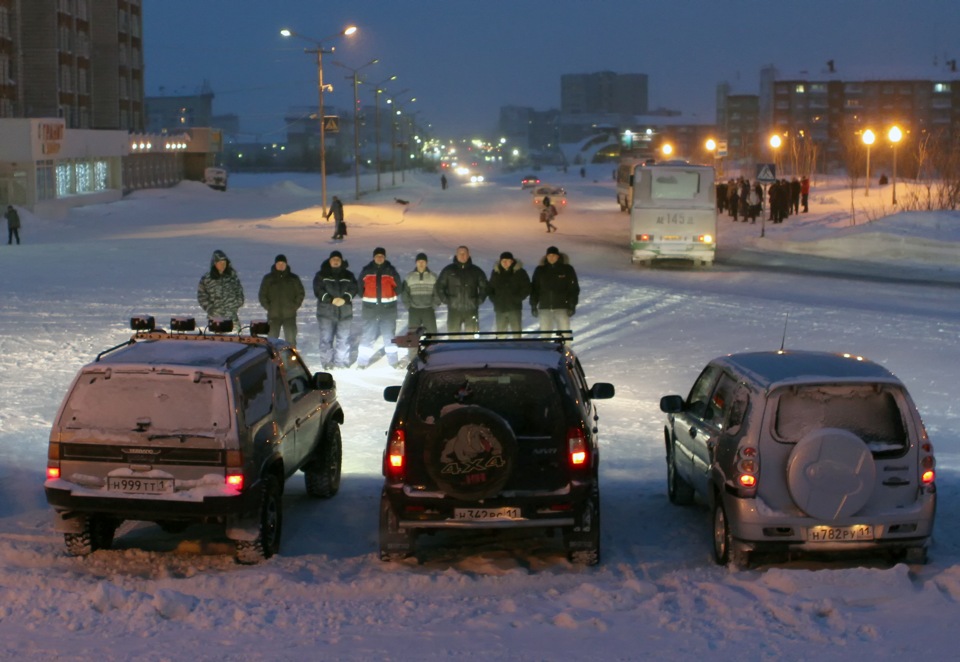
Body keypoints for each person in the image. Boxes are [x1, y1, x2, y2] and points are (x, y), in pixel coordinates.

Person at [357, 247, 402, 368]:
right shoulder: (366, 271)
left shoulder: (391, 271)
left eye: (382, 256)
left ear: (385, 257)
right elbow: (360, 289)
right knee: (367, 336)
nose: (380, 258)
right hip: (370, 310)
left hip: (388, 311)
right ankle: (362, 362)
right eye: (377, 256)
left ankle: (393, 362)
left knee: (390, 337)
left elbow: (398, 288)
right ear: (373, 257)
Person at [313, 250, 358, 369]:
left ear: (341, 261)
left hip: (345, 313)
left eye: (338, 259)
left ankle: (341, 362)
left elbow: (354, 289)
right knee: (326, 339)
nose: (336, 261)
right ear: (329, 261)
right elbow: (318, 290)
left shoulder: (349, 275)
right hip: (326, 313)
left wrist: (345, 299)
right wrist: (330, 299)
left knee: (343, 339)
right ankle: (327, 362)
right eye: (334, 259)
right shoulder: (321, 275)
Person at [436, 245, 488, 333]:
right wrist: (447, 300)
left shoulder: (476, 271)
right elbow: (439, 286)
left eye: (465, 253)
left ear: (468, 255)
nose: (462, 255)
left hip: (471, 310)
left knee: (471, 336)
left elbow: (484, 287)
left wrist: (478, 301)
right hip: (454, 310)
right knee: (453, 337)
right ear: (456, 255)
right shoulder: (448, 270)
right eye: (460, 253)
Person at [258, 254, 305, 346]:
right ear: (275, 264)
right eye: (278, 263)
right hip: (273, 316)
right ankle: (272, 359)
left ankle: (291, 359)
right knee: (271, 341)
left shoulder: (293, 278)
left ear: (286, 264)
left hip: (289, 316)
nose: (281, 265)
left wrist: (294, 306)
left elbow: (300, 293)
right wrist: (269, 307)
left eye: (283, 263)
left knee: (291, 340)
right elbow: (262, 295)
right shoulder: (268, 278)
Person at [530, 246, 579, 333]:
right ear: (546, 257)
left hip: (562, 308)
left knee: (564, 334)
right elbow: (534, 289)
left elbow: (573, 289)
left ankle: (566, 347)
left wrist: (572, 305)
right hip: (544, 308)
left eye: (554, 255)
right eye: (549, 256)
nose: (551, 258)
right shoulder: (540, 270)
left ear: (558, 256)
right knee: (545, 334)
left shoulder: (567, 269)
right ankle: (545, 346)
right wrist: (533, 305)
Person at [400, 252, 441, 354]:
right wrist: (409, 307)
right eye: (419, 262)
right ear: (416, 263)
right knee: (413, 336)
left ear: (426, 263)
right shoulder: (409, 277)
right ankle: (413, 357)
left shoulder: (433, 276)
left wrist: (434, 305)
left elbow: (438, 293)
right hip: (414, 310)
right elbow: (404, 293)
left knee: (432, 335)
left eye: (423, 261)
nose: (421, 264)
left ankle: (433, 355)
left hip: (428, 310)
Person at [197, 249, 245, 328]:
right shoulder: (207, 279)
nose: (223, 265)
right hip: (215, 318)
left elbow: (239, 291)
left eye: (224, 263)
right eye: (220, 263)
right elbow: (202, 296)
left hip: (232, 317)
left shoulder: (232, 277)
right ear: (215, 264)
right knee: (216, 339)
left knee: (236, 338)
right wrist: (210, 309)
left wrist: (236, 304)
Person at [488, 251, 531, 338]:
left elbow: (527, 288)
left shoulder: (519, 272)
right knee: (500, 334)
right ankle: (502, 350)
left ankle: (517, 349)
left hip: (514, 308)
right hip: (500, 308)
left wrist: (517, 299)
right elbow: (490, 288)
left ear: (512, 261)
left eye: (507, 261)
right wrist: (495, 300)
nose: (505, 263)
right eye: (503, 261)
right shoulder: (496, 272)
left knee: (516, 334)